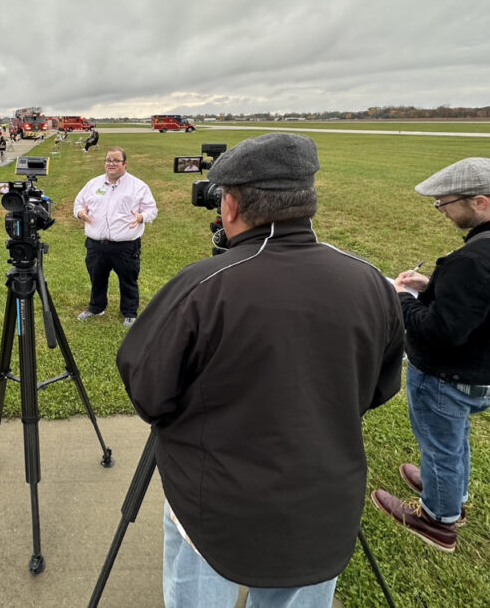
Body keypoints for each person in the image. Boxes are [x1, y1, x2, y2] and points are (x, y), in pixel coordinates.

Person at [117, 132, 405, 608]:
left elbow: (148, 392)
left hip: (215, 504)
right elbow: (380, 387)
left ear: (229, 205)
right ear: (307, 199)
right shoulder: (370, 280)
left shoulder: (202, 286)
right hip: (324, 499)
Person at [372, 157, 490, 552]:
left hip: (446, 376)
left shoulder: (475, 260)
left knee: (440, 445)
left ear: (479, 201)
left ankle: (438, 519)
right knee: (453, 439)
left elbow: (438, 332)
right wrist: (433, 288)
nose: (441, 210)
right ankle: (449, 491)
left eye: (444, 202)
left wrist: (404, 297)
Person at [73, 146, 157, 326]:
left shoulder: (138, 186)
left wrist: (142, 217)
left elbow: (152, 210)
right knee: (97, 278)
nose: (111, 164)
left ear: (125, 164)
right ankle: (96, 308)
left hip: (125, 246)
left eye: (116, 160)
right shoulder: (93, 184)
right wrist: (80, 213)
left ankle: (129, 312)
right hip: (96, 244)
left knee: (128, 280)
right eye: (108, 160)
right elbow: (78, 203)